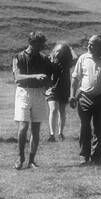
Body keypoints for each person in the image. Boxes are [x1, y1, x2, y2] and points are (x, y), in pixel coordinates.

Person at [70, 34, 101, 166]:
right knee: (84, 127)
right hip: (84, 97)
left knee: (99, 129)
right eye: (88, 43)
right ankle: (84, 156)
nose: (89, 46)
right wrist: (72, 95)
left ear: (100, 46)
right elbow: (75, 78)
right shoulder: (83, 58)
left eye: (92, 44)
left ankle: (96, 157)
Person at [12, 32, 55, 170]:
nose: (42, 47)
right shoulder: (18, 57)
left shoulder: (44, 58)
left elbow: (49, 77)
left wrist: (49, 85)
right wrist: (36, 76)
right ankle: (20, 157)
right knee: (23, 127)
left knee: (36, 130)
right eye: (40, 44)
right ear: (32, 43)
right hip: (24, 92)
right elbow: (17, 77)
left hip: (39, 93)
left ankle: (31, 160)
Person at [46, 42, 75, 141]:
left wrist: (70, 48)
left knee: (62, 110)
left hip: (64, 88)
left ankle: (60, 133)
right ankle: (51, 134)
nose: (58, 53)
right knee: (53, 109)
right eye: (57, 50)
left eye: (61, 51)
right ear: (54, 51)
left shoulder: (68, 62)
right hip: (52, 88)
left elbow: (75, 58)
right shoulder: (49, 60)